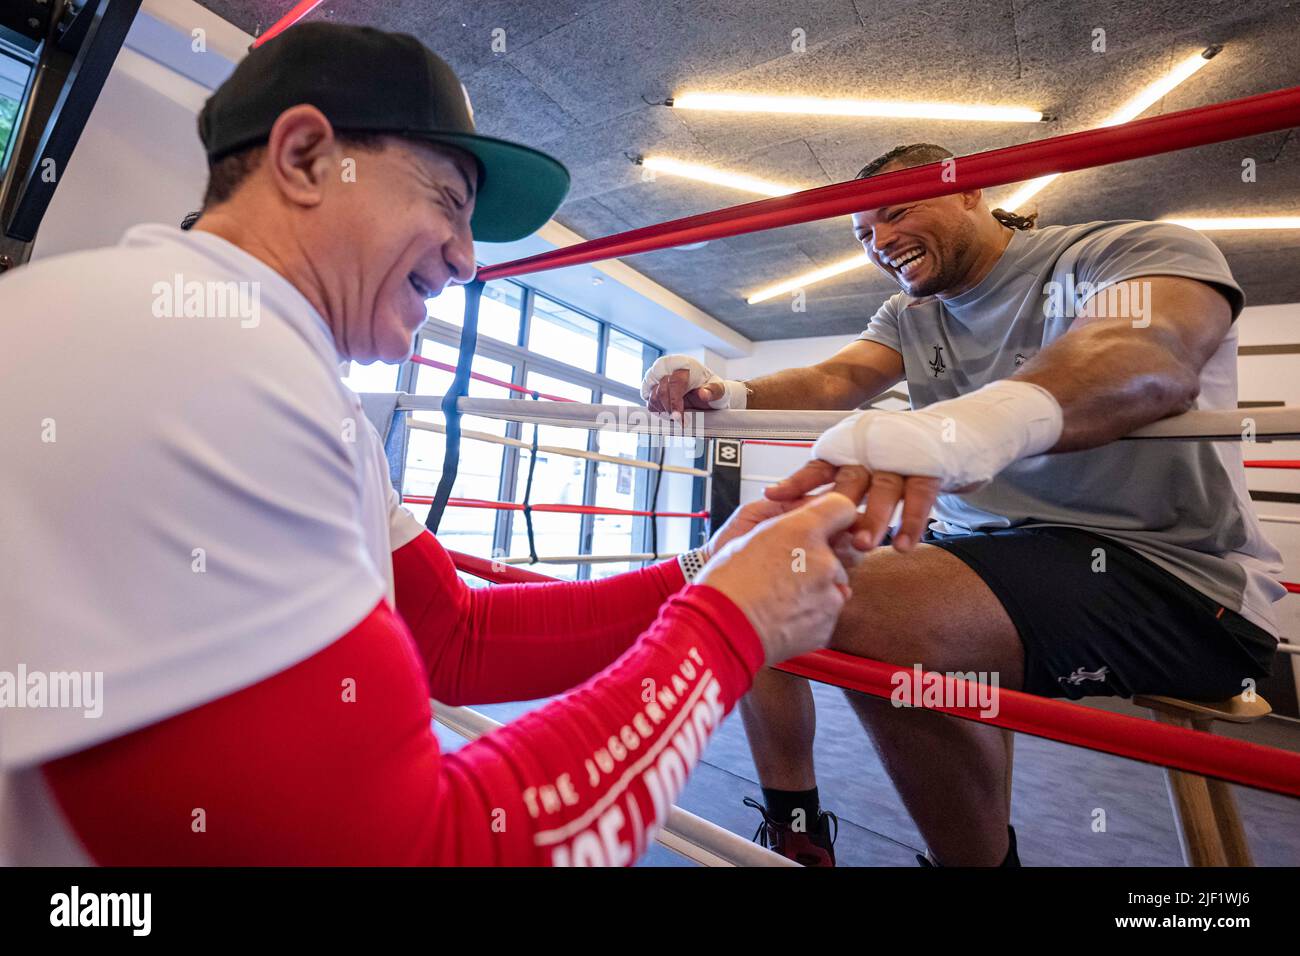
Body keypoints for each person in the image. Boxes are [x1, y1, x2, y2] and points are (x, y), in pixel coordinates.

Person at [0, 23, 861, 866]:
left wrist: (708, 566)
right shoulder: (213, 366)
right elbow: (421, 850)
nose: (467, 261)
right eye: (448, 202)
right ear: (303, 158)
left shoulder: (249, 355)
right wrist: (727, 630)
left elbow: (452, 634)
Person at [643, 142, 1283, 867]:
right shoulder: (910, 313)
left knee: (848, 604)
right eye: (862, 235)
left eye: (896, 212)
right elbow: (834, 378)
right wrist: (717, 389)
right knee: (765, 573)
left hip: (1169, 575)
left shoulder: (1125, 249)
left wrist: (971, 429)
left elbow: (1148, 353)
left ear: (970, 189)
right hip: (980, 558)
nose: (880, 243)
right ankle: (798, 831)